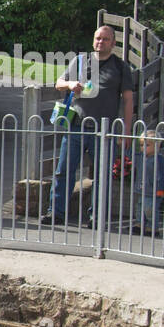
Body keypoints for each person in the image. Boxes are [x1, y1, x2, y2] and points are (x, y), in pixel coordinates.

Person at [43, 26, 134, 224]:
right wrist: (69, 85)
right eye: (98, 38)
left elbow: (128, 100)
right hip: (76, 125)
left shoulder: (120, 67)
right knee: (63, 170)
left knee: (102, 175)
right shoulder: (81, 61)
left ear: (113, 43)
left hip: (104, 129)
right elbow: (59, 83)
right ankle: (55, 213)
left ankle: (97, 217)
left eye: (105, 39)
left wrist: (126, 131)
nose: (100, 42)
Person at [131, 130, 164, 235]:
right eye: (142, 145)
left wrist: (160, 190)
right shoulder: (141, 157)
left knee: (150, 209)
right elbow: (130, 153)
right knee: (140, 208)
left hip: (153, 191)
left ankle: (152, 227)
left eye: (147, 145)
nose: (143, 147)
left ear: (157, 146)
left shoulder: (158, 160)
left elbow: (161, 177)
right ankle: (139, 224)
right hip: (142, 189)